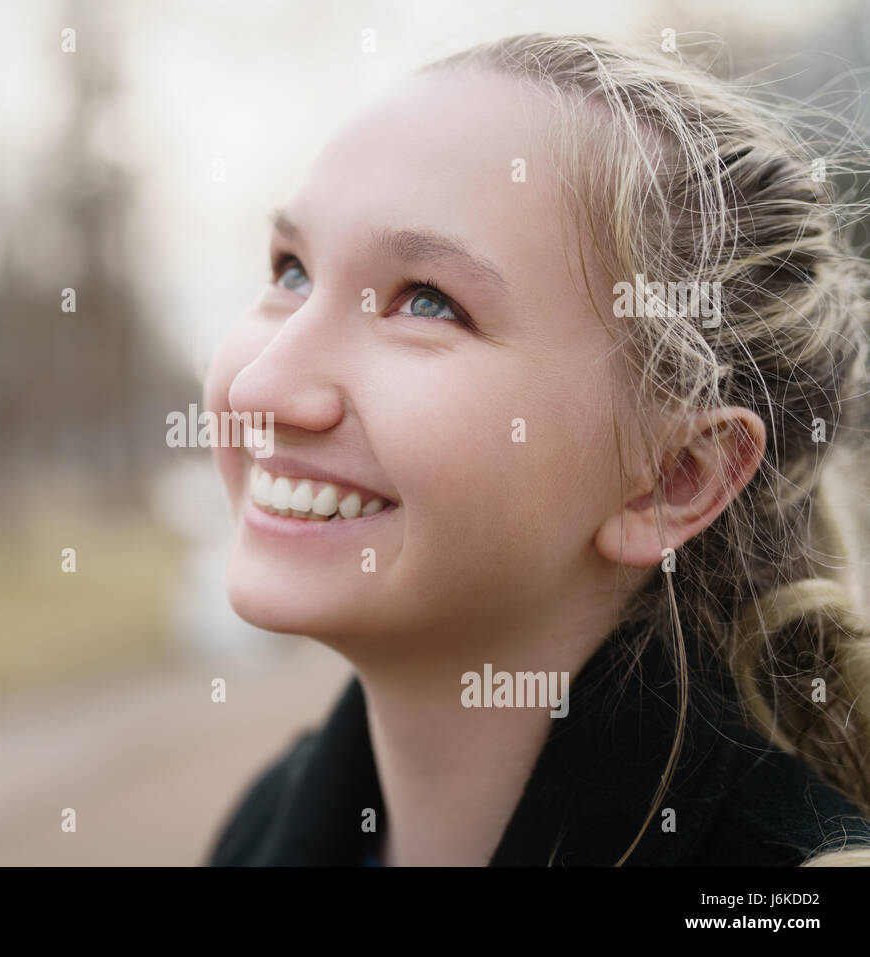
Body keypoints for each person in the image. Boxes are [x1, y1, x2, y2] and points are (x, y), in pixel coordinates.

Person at [201, 32, 870, 866]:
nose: (261, 389)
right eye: (292, 272)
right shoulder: (267, 824)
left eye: (428, 304)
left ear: (672, 478)